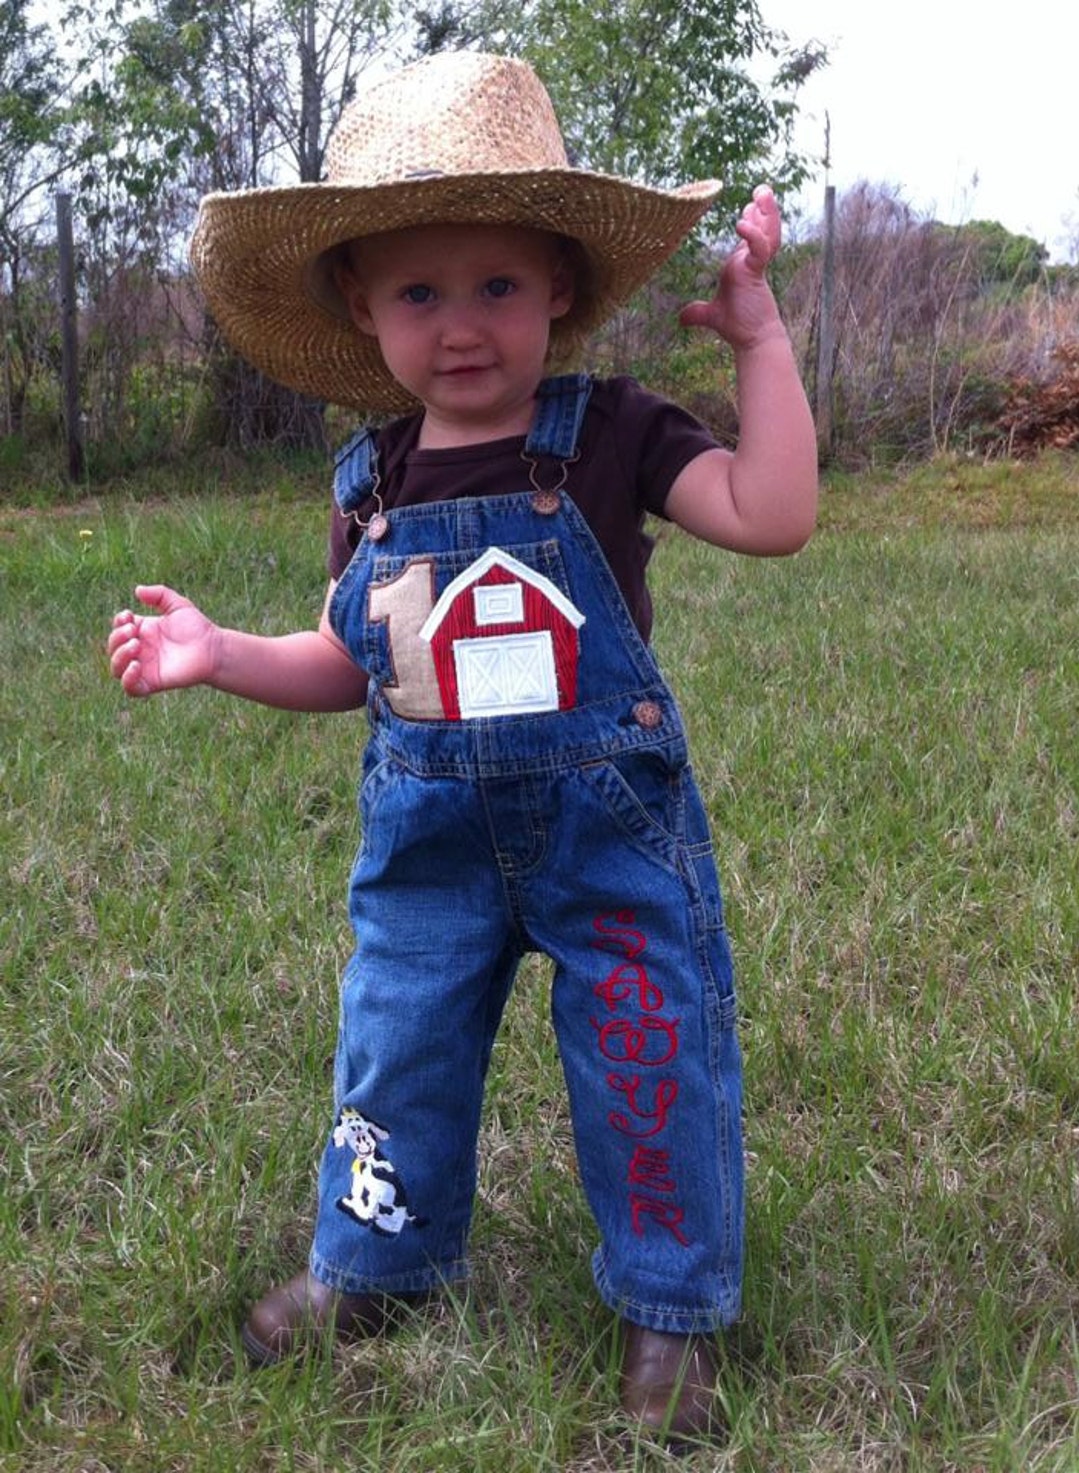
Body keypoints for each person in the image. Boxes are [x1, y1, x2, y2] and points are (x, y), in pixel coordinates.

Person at [108, 51, 817, 1441]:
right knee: (396, 1047)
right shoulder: (369, 483)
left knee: (648, 1049)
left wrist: (758, 344)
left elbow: (772, 509)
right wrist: (221, 654)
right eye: (420, 292)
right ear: (362, 308)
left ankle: (668, 1320)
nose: (463, 323)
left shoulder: (614, 433)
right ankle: (372, 1267)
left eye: (496, 284)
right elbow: (347, 663)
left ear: (559, 285)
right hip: (428, 846)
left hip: (609, 835)